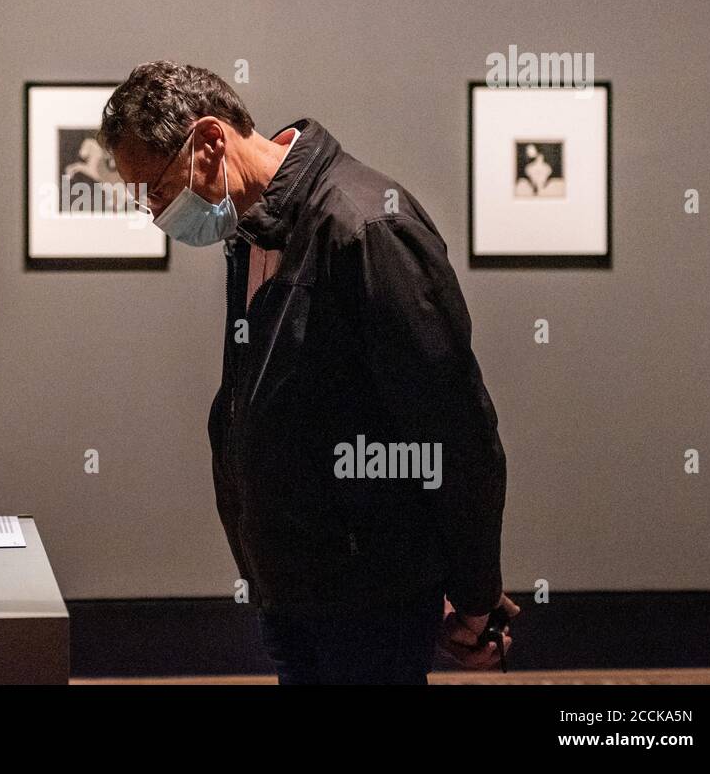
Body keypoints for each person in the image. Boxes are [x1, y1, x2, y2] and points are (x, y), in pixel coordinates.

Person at [98, 60, 516, 684]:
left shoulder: (367, 226)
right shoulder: (252, 231)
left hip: (367, 596)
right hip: (292, 588)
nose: (154, 211)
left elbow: (454, 428)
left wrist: (473, 591)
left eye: (156, 188)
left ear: (210, 142)